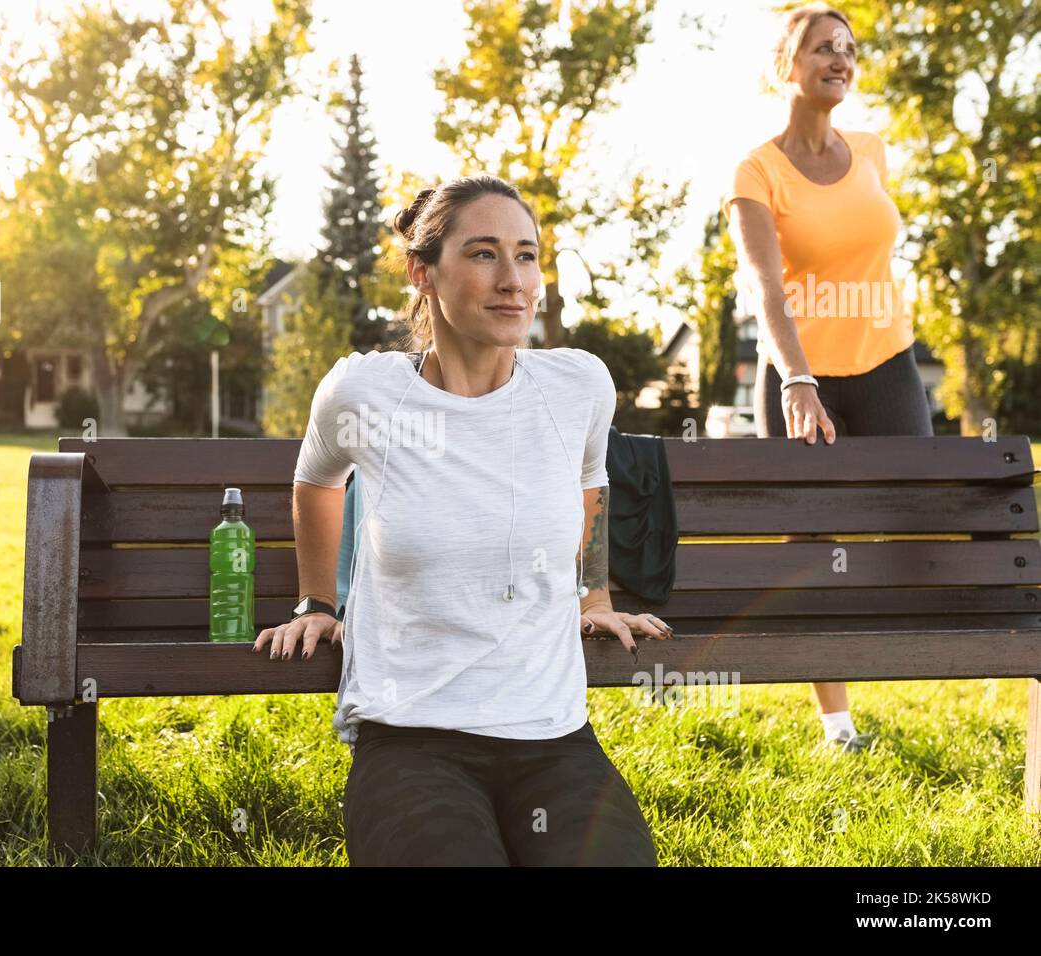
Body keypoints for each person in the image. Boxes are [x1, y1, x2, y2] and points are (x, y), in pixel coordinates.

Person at [252, 174, 671, 865]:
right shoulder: (364, 391)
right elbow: (316, 479)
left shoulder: (578, 386)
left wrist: (593, 593)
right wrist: (317, 600)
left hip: (552, 737)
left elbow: (590, 479)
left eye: (527, 255)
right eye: (483, 254)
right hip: (410, 737)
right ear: (422, 271)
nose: (514, 280)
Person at [723, 4, 934, 754]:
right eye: (822, 48)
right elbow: (763, 284)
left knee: (922, 504)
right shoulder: (757, 170)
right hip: (798, 377)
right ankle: (838, 726)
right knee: (811, 539)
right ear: (788, 65)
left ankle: (929, 651)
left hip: (885, 362)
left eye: (848, 49)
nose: (839, 59)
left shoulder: (873, 149)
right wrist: (796, 378)